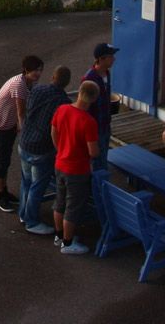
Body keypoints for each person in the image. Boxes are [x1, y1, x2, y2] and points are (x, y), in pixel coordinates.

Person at [0, 55, 43, 213]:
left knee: (6, 159)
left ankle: (4, 192)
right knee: (3, 160)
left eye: (40, 70)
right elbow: (21, 112)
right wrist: (25, 134)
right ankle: (0, 196)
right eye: (35, 70)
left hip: (9, 123)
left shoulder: (30, 82)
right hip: (0, 124)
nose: (38, 73)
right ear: (26, 70)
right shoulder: (19, 84)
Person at [17, 65, 71, 235]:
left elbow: (27, 110)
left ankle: (23, 214)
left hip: (24, 142)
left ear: (53, 77)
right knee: (37, 186)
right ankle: (31, 221)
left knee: (26, 181)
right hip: (42, 149)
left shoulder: (38, 90)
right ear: (67, 83)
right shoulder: (64, 103)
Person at [49, 80, 100, 255]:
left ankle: (59, 235)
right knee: (73, 207)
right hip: (77, 169)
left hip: (60, 163)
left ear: (79, 92)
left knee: (60, 202)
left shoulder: (62, 109)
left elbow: (53, 131)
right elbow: (93, 151)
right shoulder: (89, 121)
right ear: (93, 99)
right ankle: (68, 243)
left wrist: (60, 149)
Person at [82, 43, 118, 168]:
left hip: (105, 125)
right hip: (95, 128)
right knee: (96, 161)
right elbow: (85, 107)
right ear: (101, 59)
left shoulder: (107, 73)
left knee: (103, 156)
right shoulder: (89, 78)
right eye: (111, 56)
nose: (114, 59)